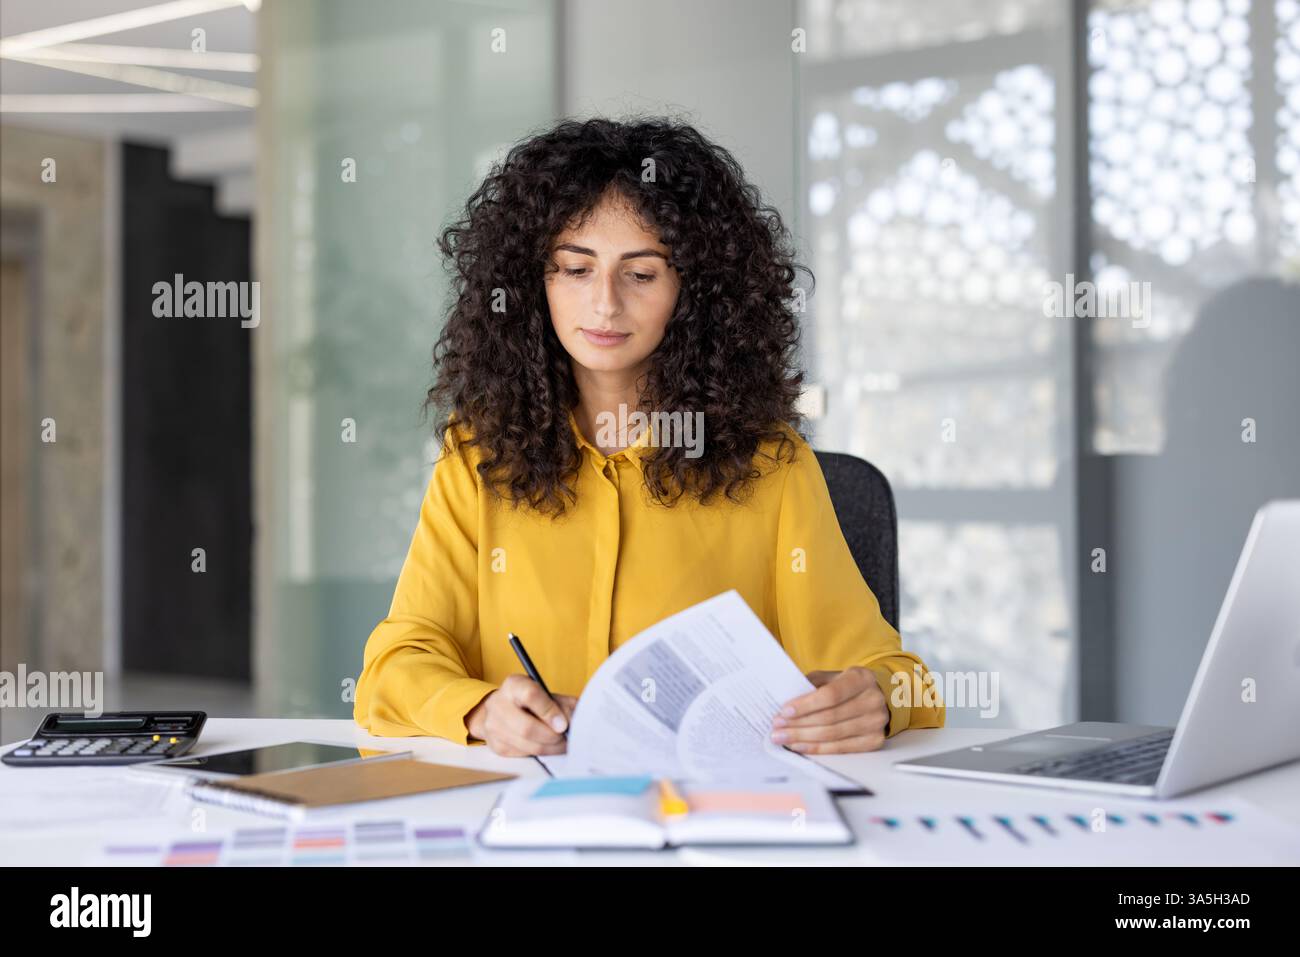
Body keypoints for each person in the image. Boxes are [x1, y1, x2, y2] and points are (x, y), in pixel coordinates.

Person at [353, 116, 945, 757]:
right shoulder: (478, 457)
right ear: (534, 285)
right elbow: (394, 667)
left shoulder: (771, 464)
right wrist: (480, 711)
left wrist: (876, 701)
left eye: (641, 274)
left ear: (694, 293)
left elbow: (899, 677)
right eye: (575, 270)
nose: (604, 304)